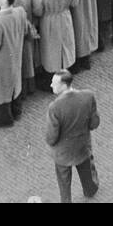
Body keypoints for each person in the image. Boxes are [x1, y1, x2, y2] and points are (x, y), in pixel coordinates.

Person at [44, 70, 100, 204]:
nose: (51, 85)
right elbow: (95, 123)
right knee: (86, 169)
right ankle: (90, 189)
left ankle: (66, 200)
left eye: (54, 83)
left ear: (63, 85)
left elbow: (52, 136)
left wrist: (50, 143)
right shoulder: (88, 96)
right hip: (82, 145)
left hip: (63, 152)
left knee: (63, 180)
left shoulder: (55, 107)